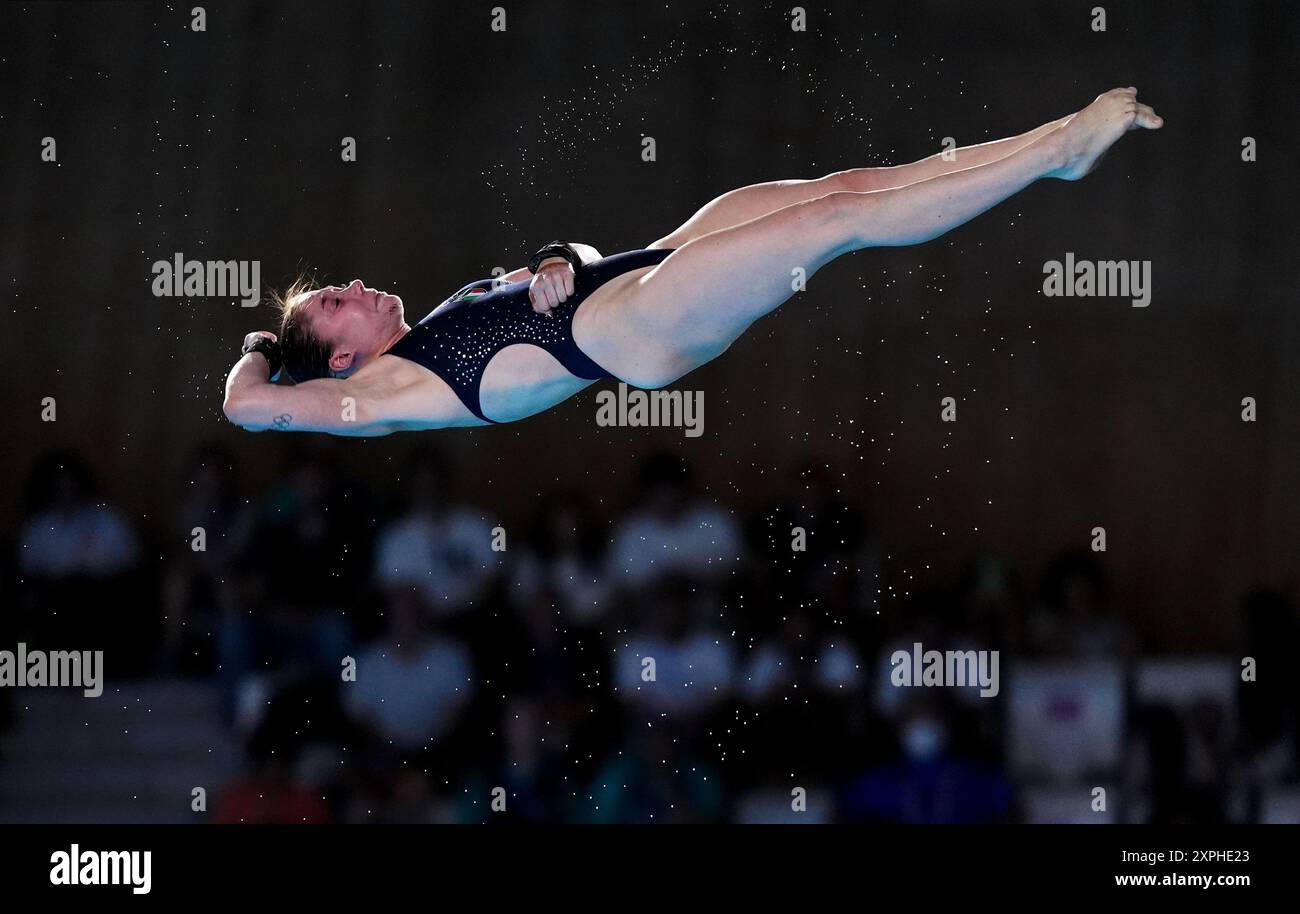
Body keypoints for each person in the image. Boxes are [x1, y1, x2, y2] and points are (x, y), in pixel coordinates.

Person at [223, 89, 1161, 435]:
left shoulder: (440, 316)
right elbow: (245, 403)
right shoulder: (370, 399)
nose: (352, 287)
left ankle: (1049, 136)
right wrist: (267, 341)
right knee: (838, 220)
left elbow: (577, 258)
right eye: (335, 305)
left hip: (640, 265)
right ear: (338, 358)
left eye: (338, 285)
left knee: (847, 182)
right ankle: (1056, 155)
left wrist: (558, 255)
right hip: (636, 328)